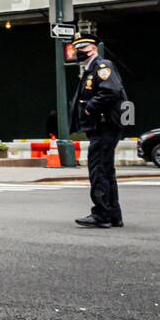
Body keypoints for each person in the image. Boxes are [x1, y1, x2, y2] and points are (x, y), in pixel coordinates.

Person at [69, 32, 127, 228]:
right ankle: (113, 215)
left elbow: (111, 90)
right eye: (77, 48)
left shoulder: (102, 66)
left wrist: (89, 107)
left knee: (98, 170)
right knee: (106, 170)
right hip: (102, 127)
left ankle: (102, 214)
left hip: (104, 127)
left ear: (93, 48)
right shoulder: (91, 69)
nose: (79, 52)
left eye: (83, 48)